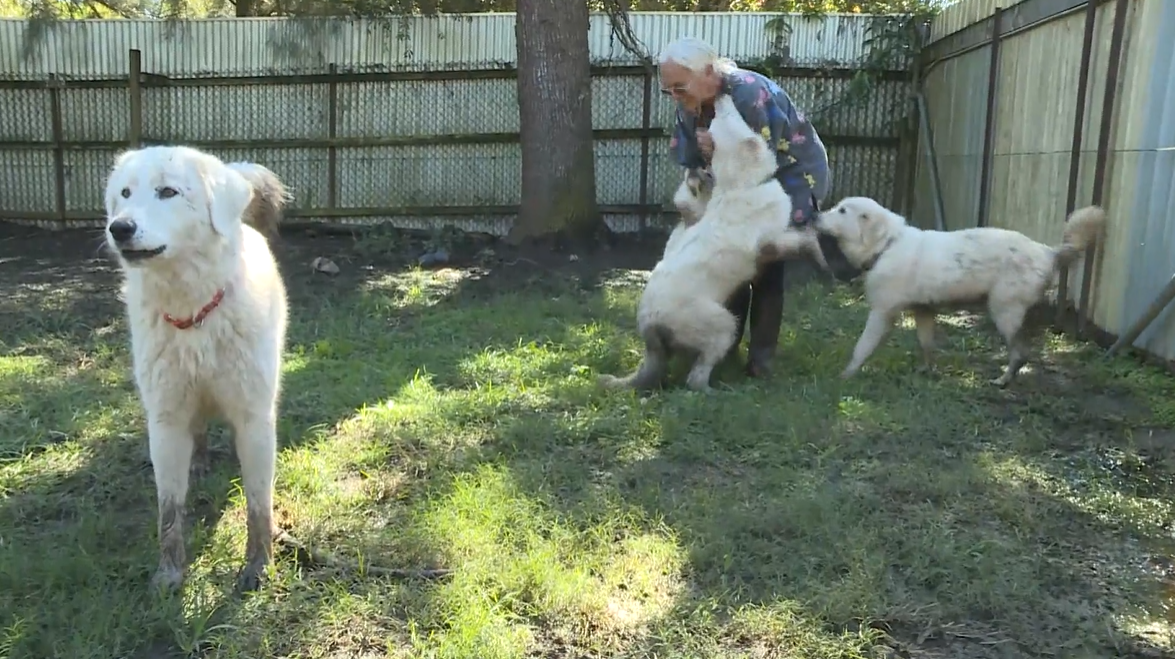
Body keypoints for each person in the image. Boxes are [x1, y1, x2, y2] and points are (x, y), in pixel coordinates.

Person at [658, 36, 842, 378]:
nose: (674, 97)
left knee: (763, 266)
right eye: (668, 90)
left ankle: (761, 361)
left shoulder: (750, 93)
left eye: (679, 88)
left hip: (789, 181)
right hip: (734, 187)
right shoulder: (688, 102)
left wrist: (715, 152)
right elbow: (690, 159)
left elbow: (758, 162)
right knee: (733, 264)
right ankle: (724, 352)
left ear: (708, 71)